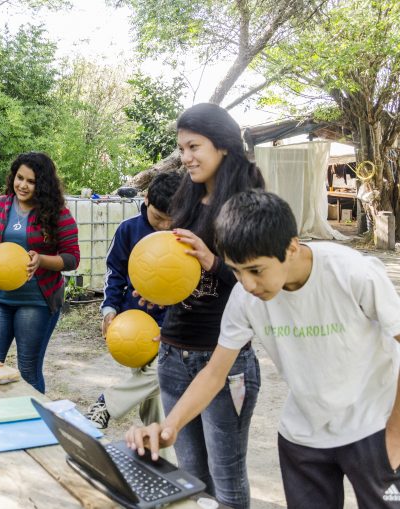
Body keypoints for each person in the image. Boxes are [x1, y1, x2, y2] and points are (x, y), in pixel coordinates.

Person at [126, 189, 400, 509]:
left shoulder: (353, 273)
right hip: (303, 438)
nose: (248, 284)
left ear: (292, 247)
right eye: (237, 271)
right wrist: (169, 426)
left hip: (374, 428)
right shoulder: (246, 297)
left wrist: (395, 433)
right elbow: (215, 373)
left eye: (256, 270)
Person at [142, 103, 265, 509]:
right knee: (192, 480)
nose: (187, 157)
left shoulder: (250, 204)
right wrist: (158, 289)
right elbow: (179, 274)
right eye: (182, 149)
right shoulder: (187, 196)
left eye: (194, 146)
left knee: (227, 485)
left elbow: (260, 284)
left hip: (224, 362)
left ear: (224, 146)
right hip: (173, 353)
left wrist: (212, 261)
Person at [0, 152, 79, 393]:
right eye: (20, 178)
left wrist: (41, 260)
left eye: (31, 181)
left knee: (27, 371)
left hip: (37, 302)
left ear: (43, 185)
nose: (23, 185)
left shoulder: (58, 214)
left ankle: (34, 427)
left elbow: (71, 258)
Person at [84, 170, 183, 430]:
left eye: (170, 220)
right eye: (159, 218)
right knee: (157, 398)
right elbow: (114, 273)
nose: (164, 226)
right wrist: (109, 309)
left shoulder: (183, 235)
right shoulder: (128, 230)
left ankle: (108, 404)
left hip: (172, 325)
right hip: (135, 325)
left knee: (163, 374)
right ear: (147, 199)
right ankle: (158, 456)